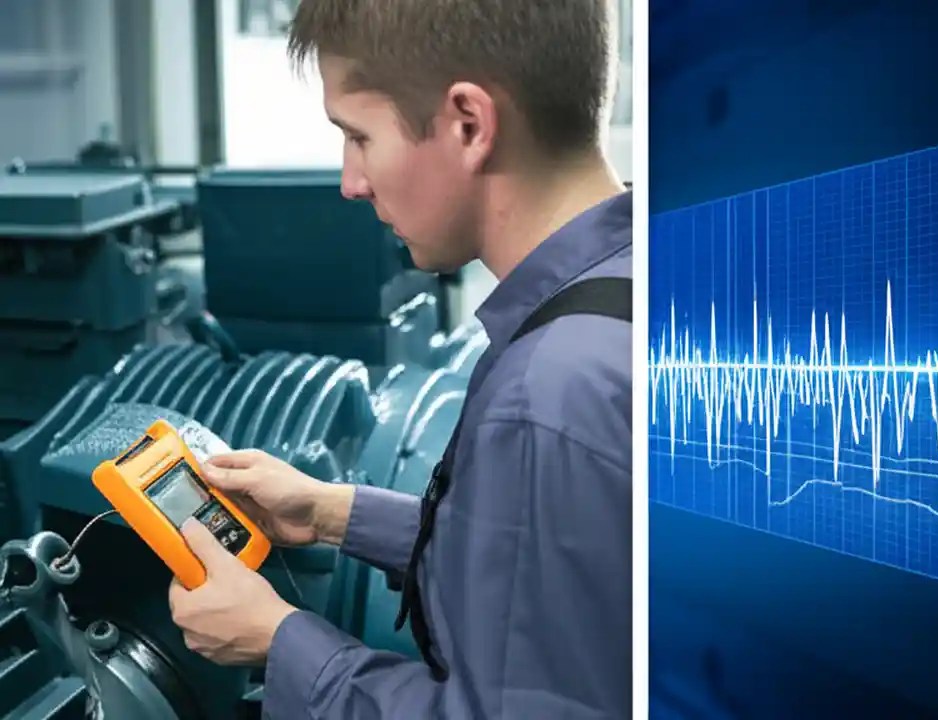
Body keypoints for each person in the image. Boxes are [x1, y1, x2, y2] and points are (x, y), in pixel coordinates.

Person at [165, 1, 632, 717]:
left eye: (358, 135)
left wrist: (279, 638)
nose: (351, 180)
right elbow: (571, 566)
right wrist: (333, 513)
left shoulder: (546, 397)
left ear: (468, 124)